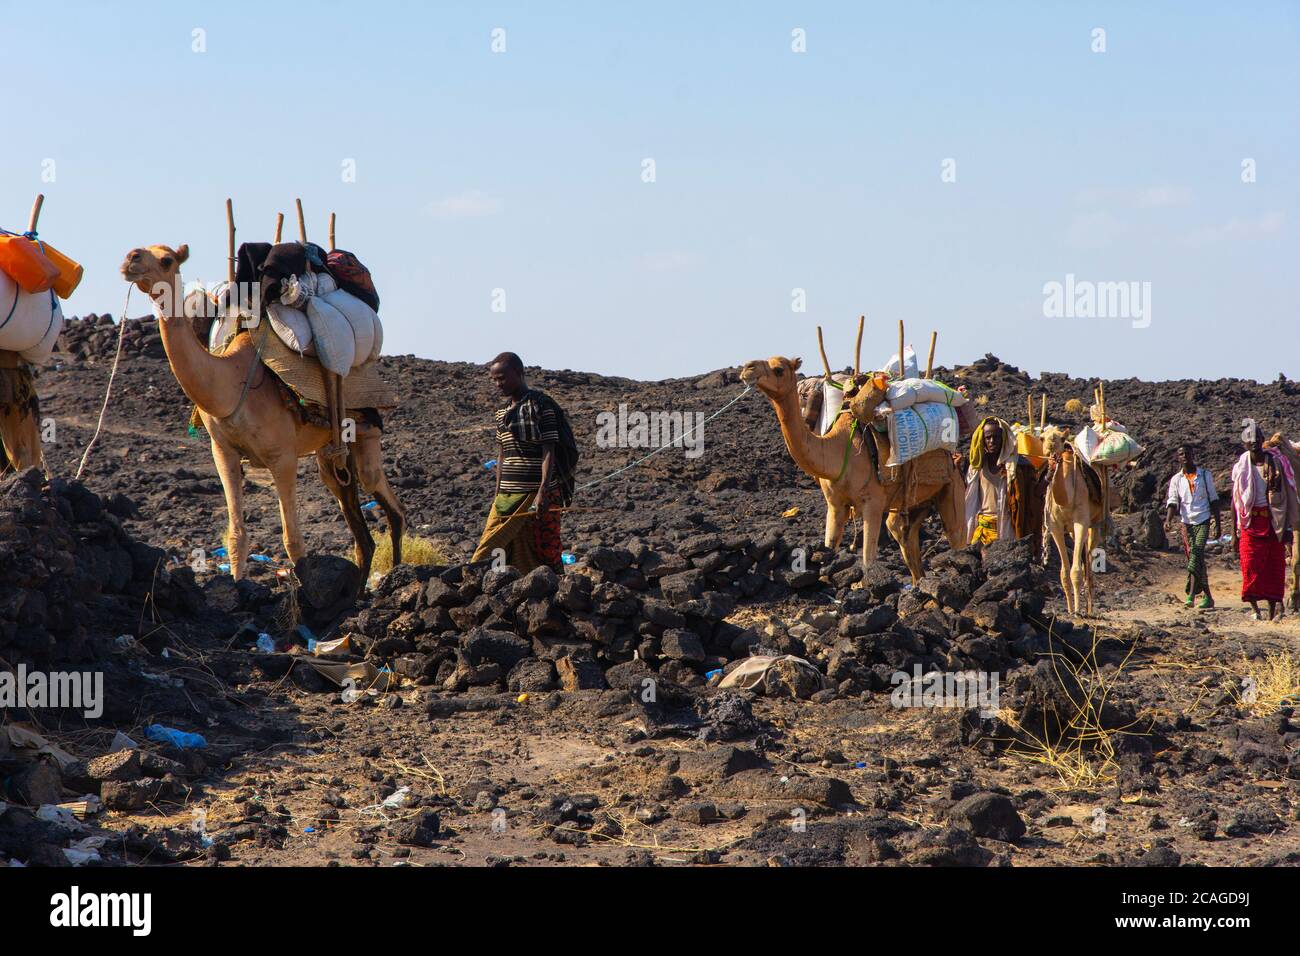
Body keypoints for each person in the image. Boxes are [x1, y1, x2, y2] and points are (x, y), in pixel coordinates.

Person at [471, 353, 578, 573]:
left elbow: (550, 451)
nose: (498, 384)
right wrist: (497, 493)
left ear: (519, 374)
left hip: (535, 493)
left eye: (502, 378)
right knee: (491, 548)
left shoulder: (541, 405)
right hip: (506, 496)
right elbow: (502, 455)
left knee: (543, 547)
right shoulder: (501, 414)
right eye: (494, 379)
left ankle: (556, 592)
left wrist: (543, 492)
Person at [1231, 420, 1298, 620]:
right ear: (1244, 444)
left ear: (1262, 440)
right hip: (1250, 523)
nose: (1254, 442)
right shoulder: (1241, 467)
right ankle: (1254, 609)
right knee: (1249, 565)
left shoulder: (1277, 464)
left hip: (1273, 523)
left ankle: (1272, 610)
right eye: (1249, 440)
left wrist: (1287, 527)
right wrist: (1234, 533)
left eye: (1257, 439)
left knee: (1274, 567)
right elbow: (1235, 501)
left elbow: (1288, 496)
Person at [1164, 444, 1222, 609]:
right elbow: (1173, 501)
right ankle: (1208, 598)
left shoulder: (1204, 475)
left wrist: (1217, 524)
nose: (1185, 456)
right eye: (1181, 454)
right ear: (1178, 458)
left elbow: (1214, 500)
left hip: (1203, 520)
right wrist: (1168, 520)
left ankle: (1190, 595)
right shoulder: (1177, 479)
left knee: (1195, 555)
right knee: (1197, 560)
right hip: (1187, 523)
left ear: (1192, 454)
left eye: (1187, 453)